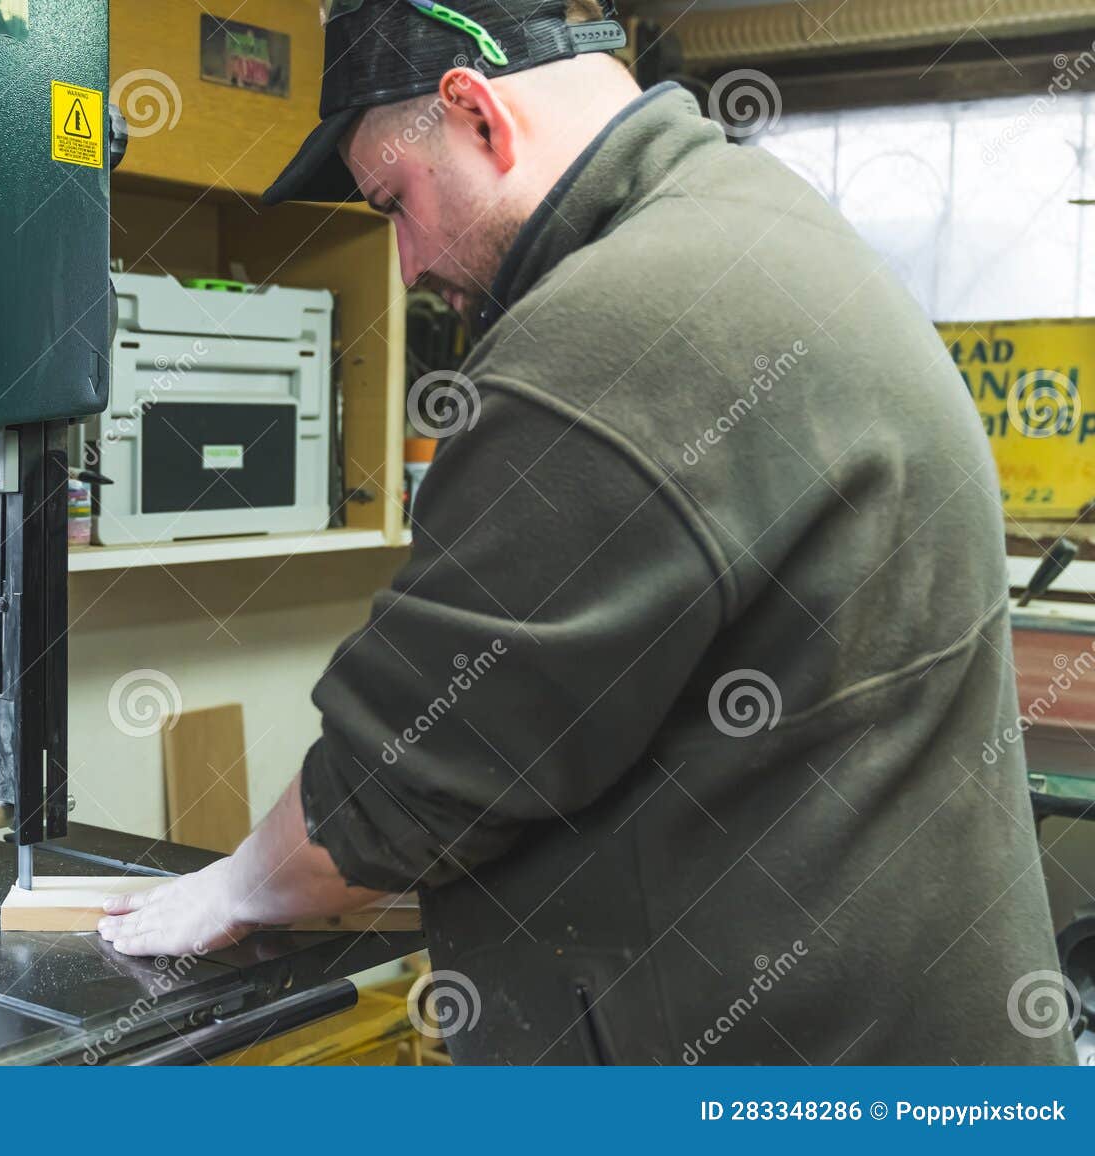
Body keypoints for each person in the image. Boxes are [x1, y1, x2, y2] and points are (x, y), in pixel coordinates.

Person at [98, 0, 1075, 1065]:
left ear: (475, 116)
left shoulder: (620, 326)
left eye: (396, 203)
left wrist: (234, 885)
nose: (404, 263)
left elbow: (406, 772)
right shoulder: (751, 218)